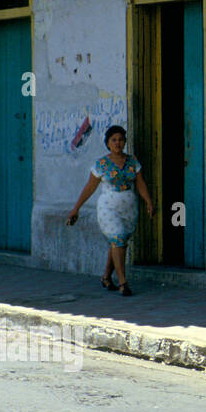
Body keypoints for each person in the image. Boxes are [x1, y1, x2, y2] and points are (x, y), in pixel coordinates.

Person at [66, 125, 155, 297]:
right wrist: (76, 209)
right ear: (107, 143)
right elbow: (90, 187)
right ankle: (123, 282)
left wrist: (148, 202)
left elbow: (140, 183)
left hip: (128, 207)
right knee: (118, 238)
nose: (117, 143)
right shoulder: (101, 164)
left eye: (121, 139)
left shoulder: (132, 162)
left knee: (119, 242)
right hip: (108, 207)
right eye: (113, 140)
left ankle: (106, 277)